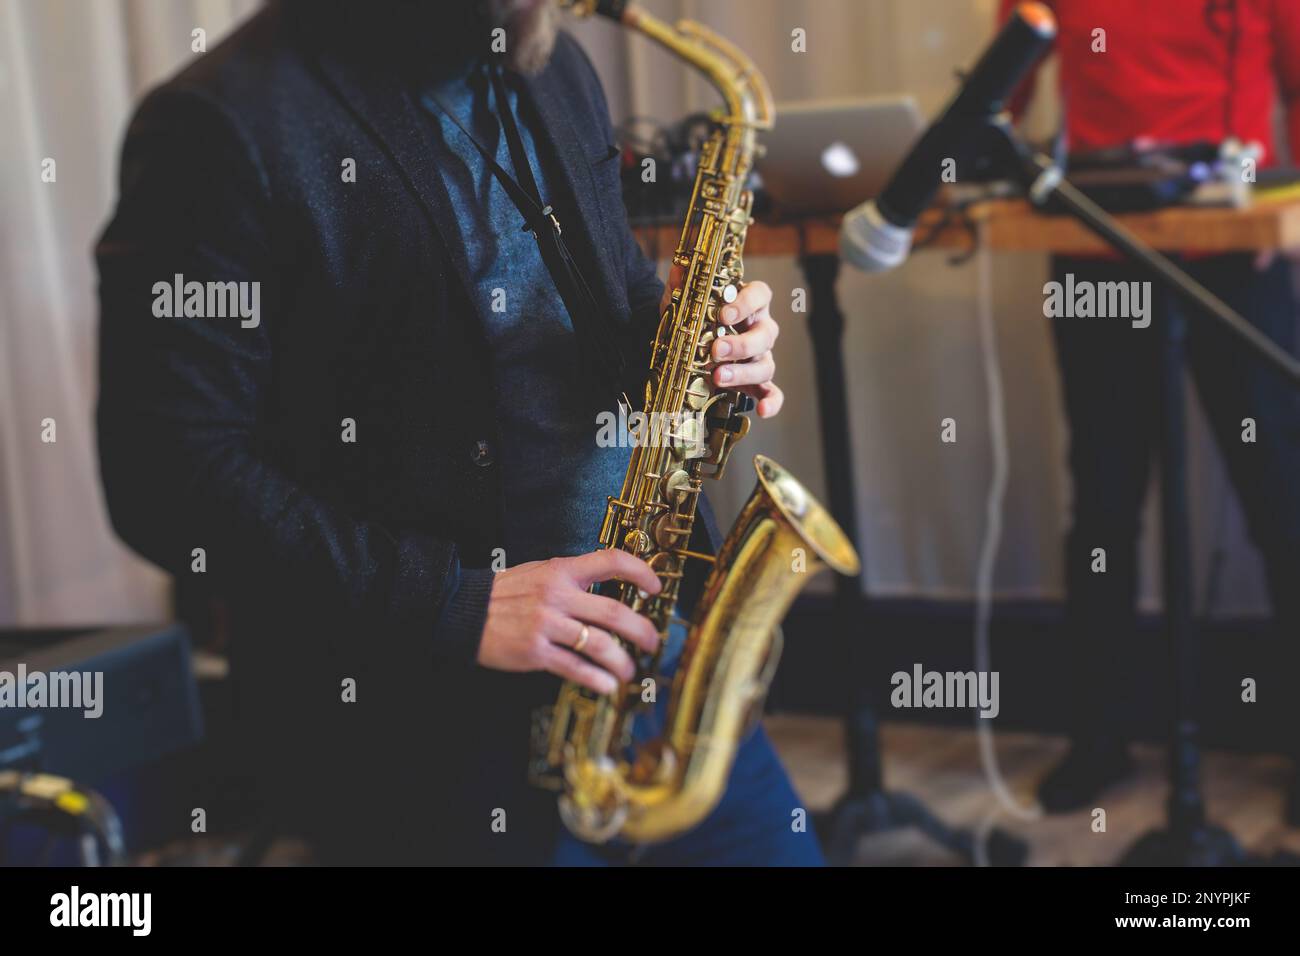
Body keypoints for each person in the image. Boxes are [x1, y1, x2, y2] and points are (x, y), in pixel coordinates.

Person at [95, 0, 818, 865]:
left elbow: (606, 287)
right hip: (437, 727)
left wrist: (697, 343)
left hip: (653, 655)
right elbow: (166, 471)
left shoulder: (549, 60)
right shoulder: (223, 123)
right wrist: (454, 603)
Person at [999, 0, 1300, 815]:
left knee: (1283, 497)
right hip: (1099, 253)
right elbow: (1002, 90)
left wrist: (1287, 205)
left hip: (1239, 252)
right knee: (1102, 505)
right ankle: (1100, 738)